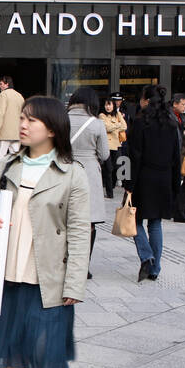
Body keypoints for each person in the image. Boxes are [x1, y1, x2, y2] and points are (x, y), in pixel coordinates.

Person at [0, 96, 89, 368]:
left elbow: (79, 231)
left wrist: (74, 283)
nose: (23, 125)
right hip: (9, 274)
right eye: (22, 119)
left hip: (48, 277)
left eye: (31, 121)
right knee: (10, 351)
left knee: (47, 351)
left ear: (53, 129)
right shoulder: (11, 164)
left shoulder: (72, 173)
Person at [125, 85, 180, 282]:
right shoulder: (172, 124)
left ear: (146, 100)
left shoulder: (140, 122)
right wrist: (175, 184)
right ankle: (155, 268)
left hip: (143, 177)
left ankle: (146, 256)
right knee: (155, 223)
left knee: (135, 220)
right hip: (164, 177)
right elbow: (176, 157)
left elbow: (133, 155)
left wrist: (128, 182)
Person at [67, 87, 109, 278]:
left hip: (64, 169)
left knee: (64, 218)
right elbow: (105, 154)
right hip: (89, 173)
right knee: (88, 222)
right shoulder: (97, 124)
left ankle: (64, 261)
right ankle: (83, 266)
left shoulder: (62, 119)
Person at [99, 95, 127, 198]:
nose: (108, 107)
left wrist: (115, 126)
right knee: (108, 169)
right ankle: (110, 193)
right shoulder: (102, 115)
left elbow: (125, 126)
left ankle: (111, 187)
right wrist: (117, 125)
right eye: (106, 104)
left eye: (109, 104)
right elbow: (106, 128)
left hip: (116, 145)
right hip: (106, 145)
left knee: (116, 167)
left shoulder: (118, 114)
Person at [0, 75, 24, 162]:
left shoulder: (3, 95)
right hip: (16, 133)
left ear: (7, 84)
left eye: (1, 84)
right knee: (17, 161)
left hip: (4, 134)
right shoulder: (19, 96)